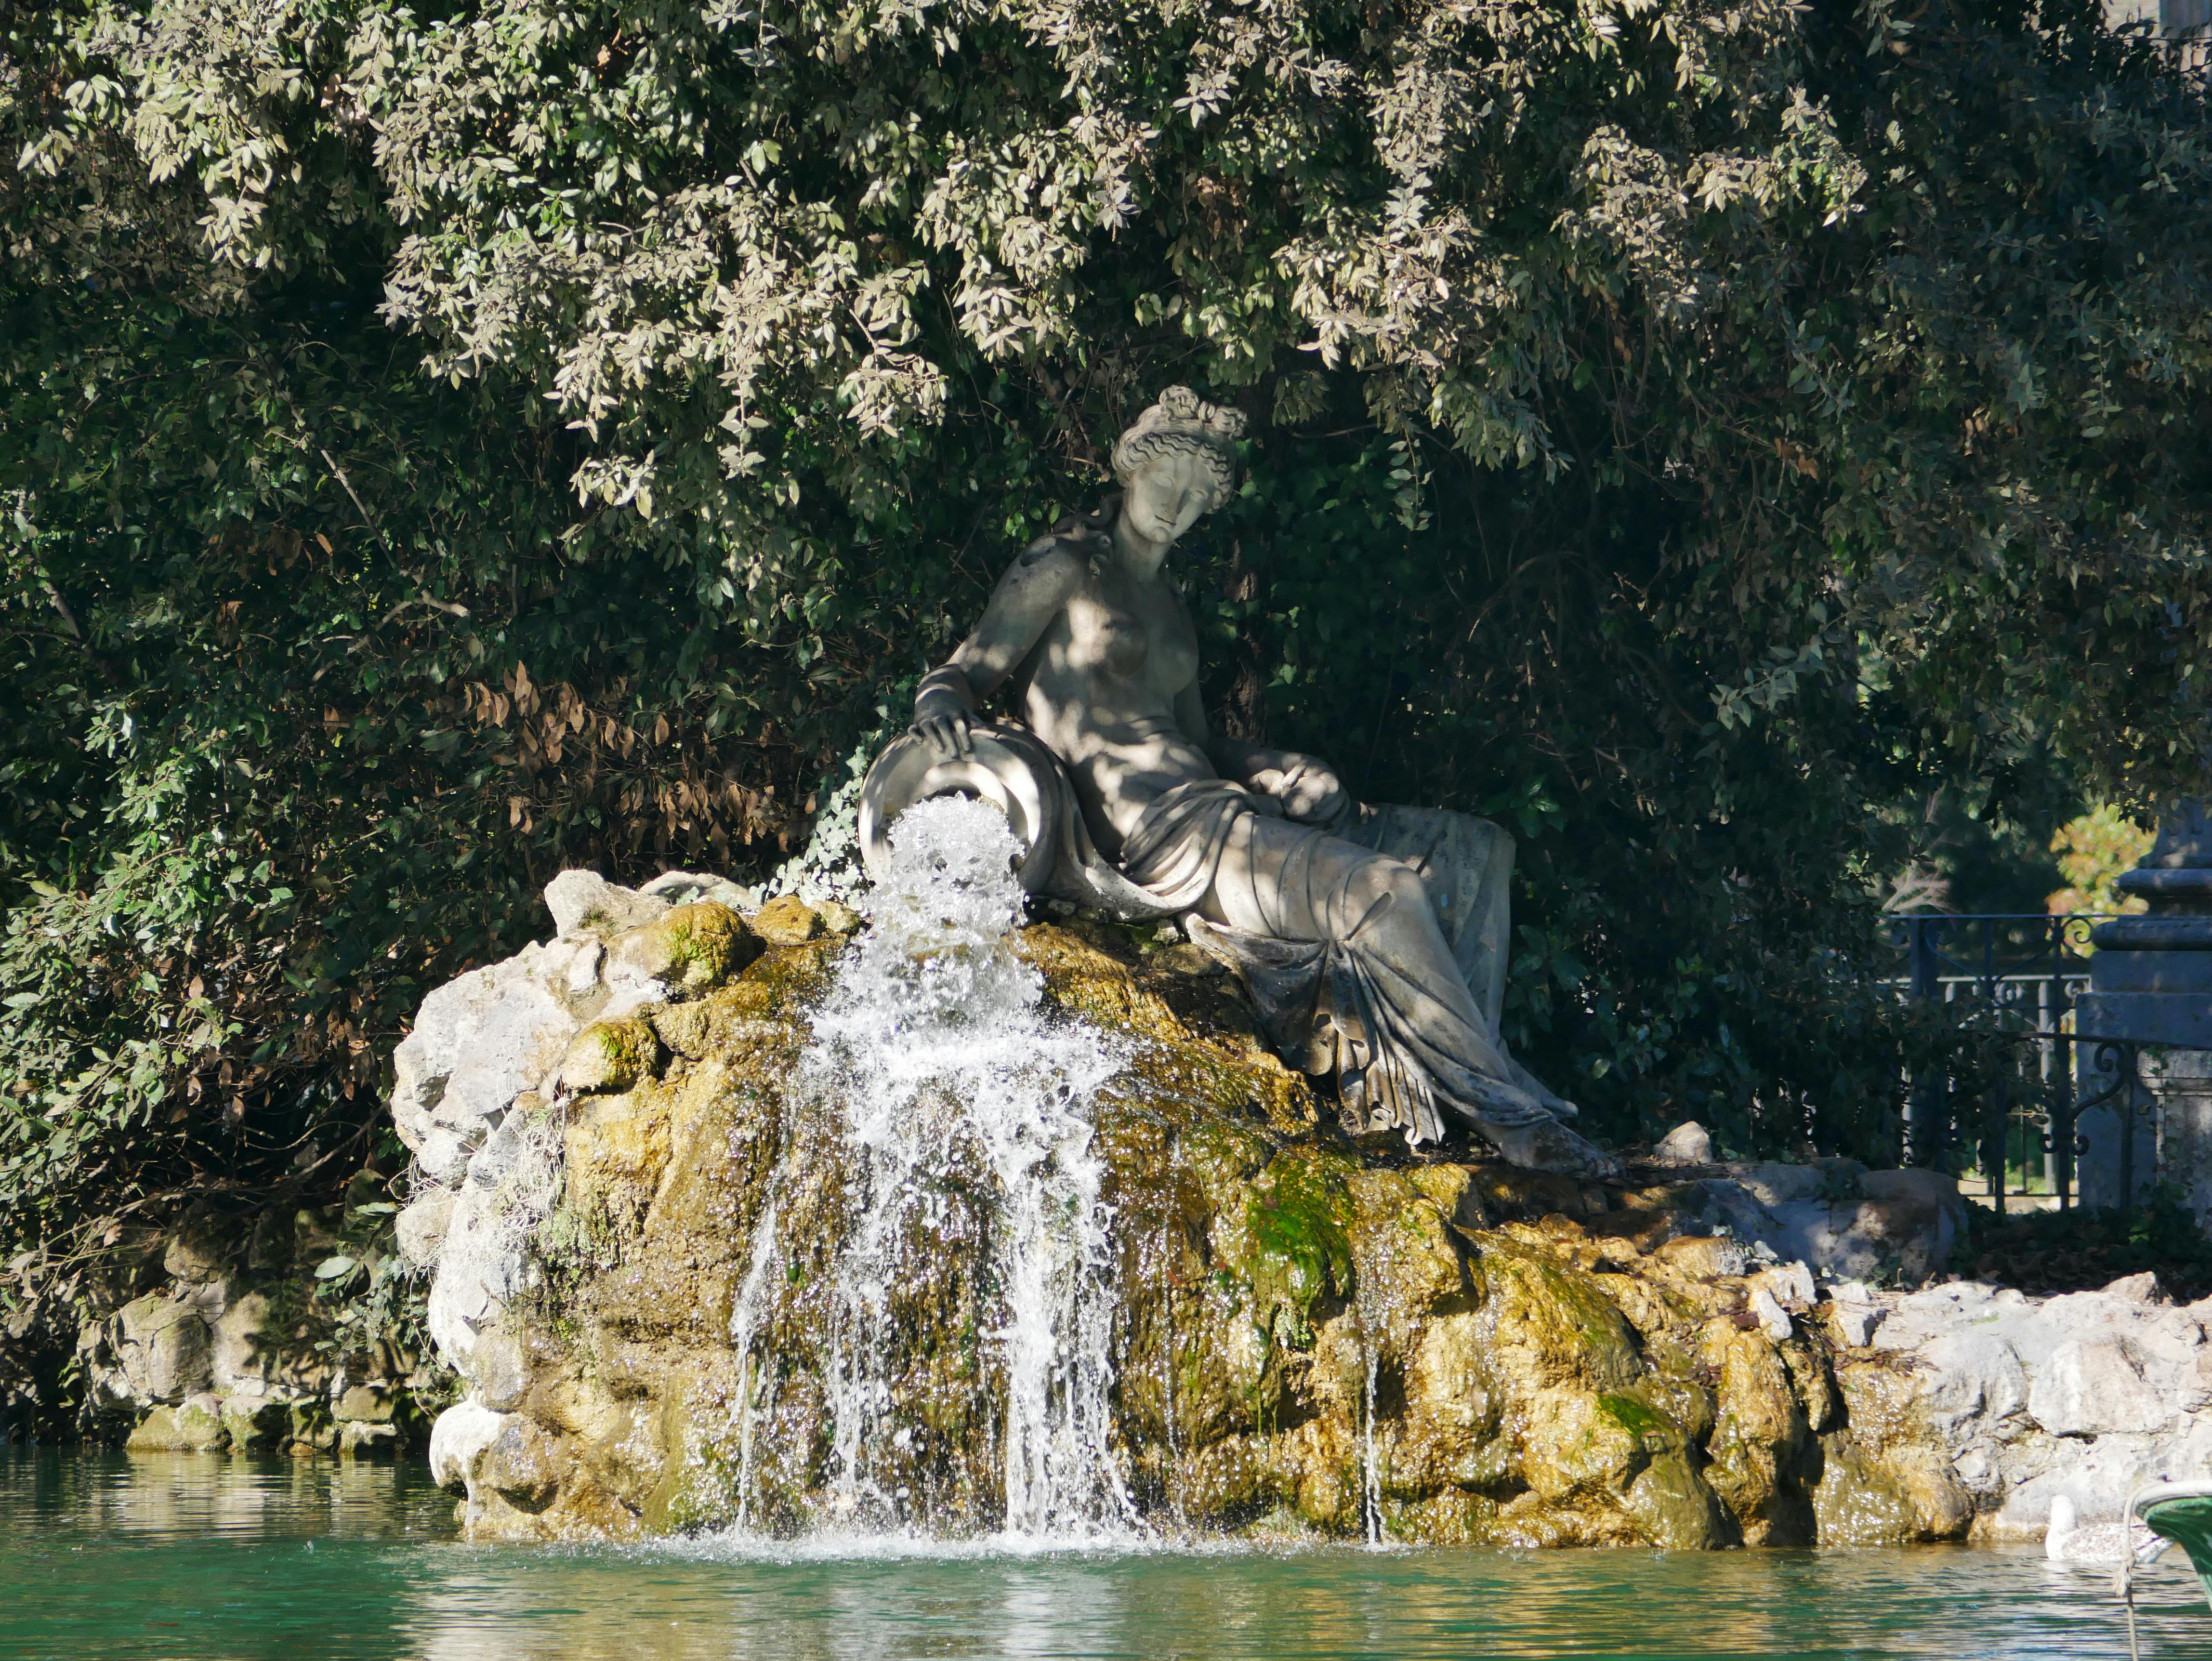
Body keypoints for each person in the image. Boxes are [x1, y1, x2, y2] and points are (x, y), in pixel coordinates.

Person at [909, 387, 1615, 1176]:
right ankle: (1515, 1123)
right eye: (1164, 484)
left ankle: (1475, 1079)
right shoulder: (1065, 564)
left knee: (1474, 849)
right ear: (1130, 472)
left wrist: (1278, 766)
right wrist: (940, 700)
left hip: (1216, 803)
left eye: (1195, 496)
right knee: (1381, 891)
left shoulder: (1173, 610)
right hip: (1155, 835)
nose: (1176, 506)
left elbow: (1202, 744)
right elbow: (970, 668)